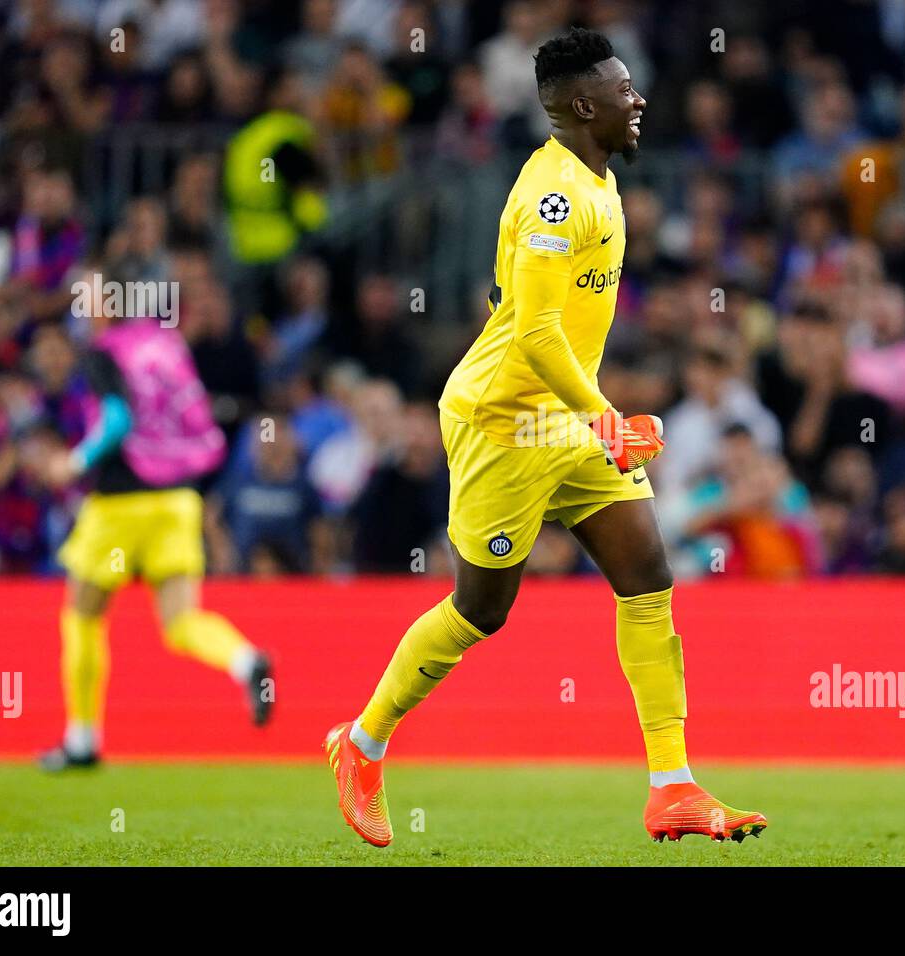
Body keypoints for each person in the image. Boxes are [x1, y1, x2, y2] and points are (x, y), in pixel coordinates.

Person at [323, 28, 767, 846]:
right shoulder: (556, 196)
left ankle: (672, 785)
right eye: (624, 89)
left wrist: (587, 415)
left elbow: (518, 298)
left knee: (647, 575)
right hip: (503, 422)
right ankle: (361, 743)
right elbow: (530, 331)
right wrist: (605, 416)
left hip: (565, 416)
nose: (639, 100)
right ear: (581, 105)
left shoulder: (595, 179)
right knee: (481, 610)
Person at [38, 311, 272, 770]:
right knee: (182, 622)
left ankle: (82, 740)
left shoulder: (104, 353)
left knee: (83, 616)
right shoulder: (165, 349)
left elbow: (117, 419)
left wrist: (76, 461)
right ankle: (245, 660)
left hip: (120, 503)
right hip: (177, 499)